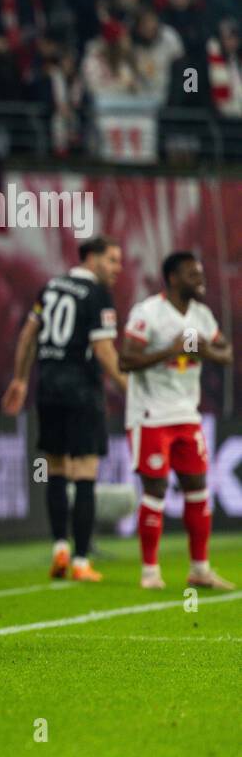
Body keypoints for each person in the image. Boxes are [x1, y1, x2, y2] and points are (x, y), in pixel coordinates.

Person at [1, 237, 126, 582]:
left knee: (56, 469)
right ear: (93, 258)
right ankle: (82, 560)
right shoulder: (98, 294)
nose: (118, 268)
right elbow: (103, 351)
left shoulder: (52, 287)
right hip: (83, 391)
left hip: (48, 388)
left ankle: (59, 547)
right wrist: (131, 388)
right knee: (85, 471)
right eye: (113, 260)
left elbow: (28, 335)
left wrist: (21, 380)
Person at [118, 252, 234, 591]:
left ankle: (200, 568)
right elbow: (126, 360)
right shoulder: (148, 312)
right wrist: (170, 350)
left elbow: (226, 354)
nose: (200, 280)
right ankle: (150, 572)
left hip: (187, 414)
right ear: (172, 278)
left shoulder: (202, 315)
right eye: (192, 275)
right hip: (151, 414)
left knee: (198, 489)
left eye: (200, 274)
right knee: (155, 489)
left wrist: (205, 352)